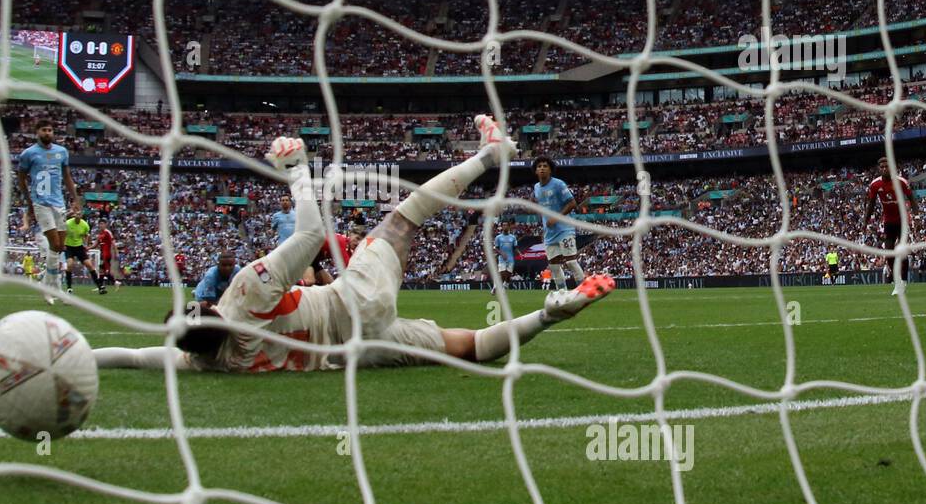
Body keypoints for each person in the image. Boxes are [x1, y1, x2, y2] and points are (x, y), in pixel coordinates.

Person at [94, 117, 615, 374]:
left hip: (357, 352)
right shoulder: (242, 295)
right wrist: (297, 173)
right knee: (404, 217)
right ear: (208, 310)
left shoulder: (206, 364)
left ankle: (549, 316)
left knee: (470, 347)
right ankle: (489, 156)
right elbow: (312, 235)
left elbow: (137, 358)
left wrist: (80, 355)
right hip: (352, 299)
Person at [17, 120, 80, 304]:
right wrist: (29, 202)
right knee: (54, 243)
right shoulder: (28, 154)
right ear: (37, 132)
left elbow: (67, 176)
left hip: (58, 203)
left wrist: (75, 199)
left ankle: (49, 286)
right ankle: (55, 289)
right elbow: (21, 179)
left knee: (59, 247)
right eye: (44, 130)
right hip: (41, 203)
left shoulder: (61, 152)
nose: (47, 133)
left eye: (50, 130)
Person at [863, 155, 918, 296]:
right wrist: (866, 220)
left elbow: (912, 198)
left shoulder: (901, 182)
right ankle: (897, 281)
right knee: (888, 252)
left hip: (903, 220)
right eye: (881, 167)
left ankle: (904, 280)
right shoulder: (875, 184)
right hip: (888, 221)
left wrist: (916, 216)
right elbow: (871, 204)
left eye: (886, 166)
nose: (884, 169)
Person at [533, 156, 583, 291]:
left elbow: (572, 203)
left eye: (545, 166)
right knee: (554, 266)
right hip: (549, 233)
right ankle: (563, 293)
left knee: (571, 261)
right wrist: (543, 230)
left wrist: (556, 217)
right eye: (539, 166)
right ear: (536, 171)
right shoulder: (536, 187)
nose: (542, 168)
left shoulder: (558, 184)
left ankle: (584, 293)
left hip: (564, 229)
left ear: (550, 170)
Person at [64, 207, 104, 295]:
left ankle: (99, 287)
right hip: (69, 247)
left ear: (82, 215)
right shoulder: (68, 223)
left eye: (79, 214)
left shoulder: (85, 225)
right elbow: (63, 233)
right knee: (70, 264)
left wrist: (86, 244)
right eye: (76, 214)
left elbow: (86, 235)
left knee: (89, 265)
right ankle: (69, 288)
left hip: (79, 247)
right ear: (74, 215)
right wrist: (63, 244)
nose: (78, 216)